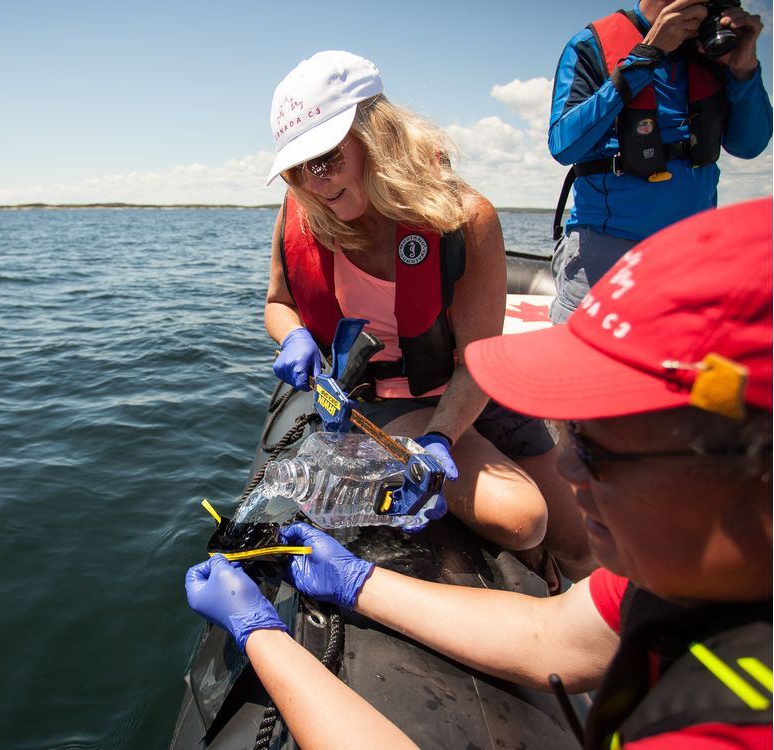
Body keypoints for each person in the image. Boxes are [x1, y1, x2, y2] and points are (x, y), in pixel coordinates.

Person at [187, 197, 773, 749]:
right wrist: (354, 581)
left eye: (598, 447)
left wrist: (262, 636)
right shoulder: (681, 577)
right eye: (572, 431)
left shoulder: (722, 724)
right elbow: (554, 639)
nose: (565, 466)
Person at [264, 50, 591, 574]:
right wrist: (293, 337)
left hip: (469, 388)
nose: (314, 182)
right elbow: (279, 304)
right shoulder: (299, 214)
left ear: (376, 133)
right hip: (388, 400)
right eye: (297, 169)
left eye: (325, 159)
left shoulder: (468, 219)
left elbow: (479, 362)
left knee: (581, 542)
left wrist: (440, 441)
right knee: (523, 519)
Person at [547, 0, 771, 324]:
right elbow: (564, 145)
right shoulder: (590, 43)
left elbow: (749, 145)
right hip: (604, 255)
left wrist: (743, 70)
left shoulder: (711, 52)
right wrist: (645, 57)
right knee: (580, 356)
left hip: (693, 256)